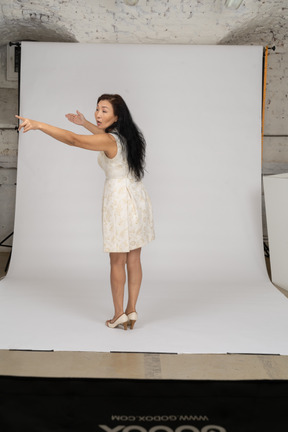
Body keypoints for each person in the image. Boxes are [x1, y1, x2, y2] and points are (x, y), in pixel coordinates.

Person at [16, 94, 155, 330]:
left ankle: (118, 314)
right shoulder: (128, 137)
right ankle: (131, 310)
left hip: (119, 200)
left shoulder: (110, 140)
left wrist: (39, 125)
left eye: (104, 111)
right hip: (137, 197)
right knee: (133, 257)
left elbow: (73, 140)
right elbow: (101, 137)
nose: (98, 114)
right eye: (97, 109)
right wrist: (85, 123)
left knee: (116, 260)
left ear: (116, 116)